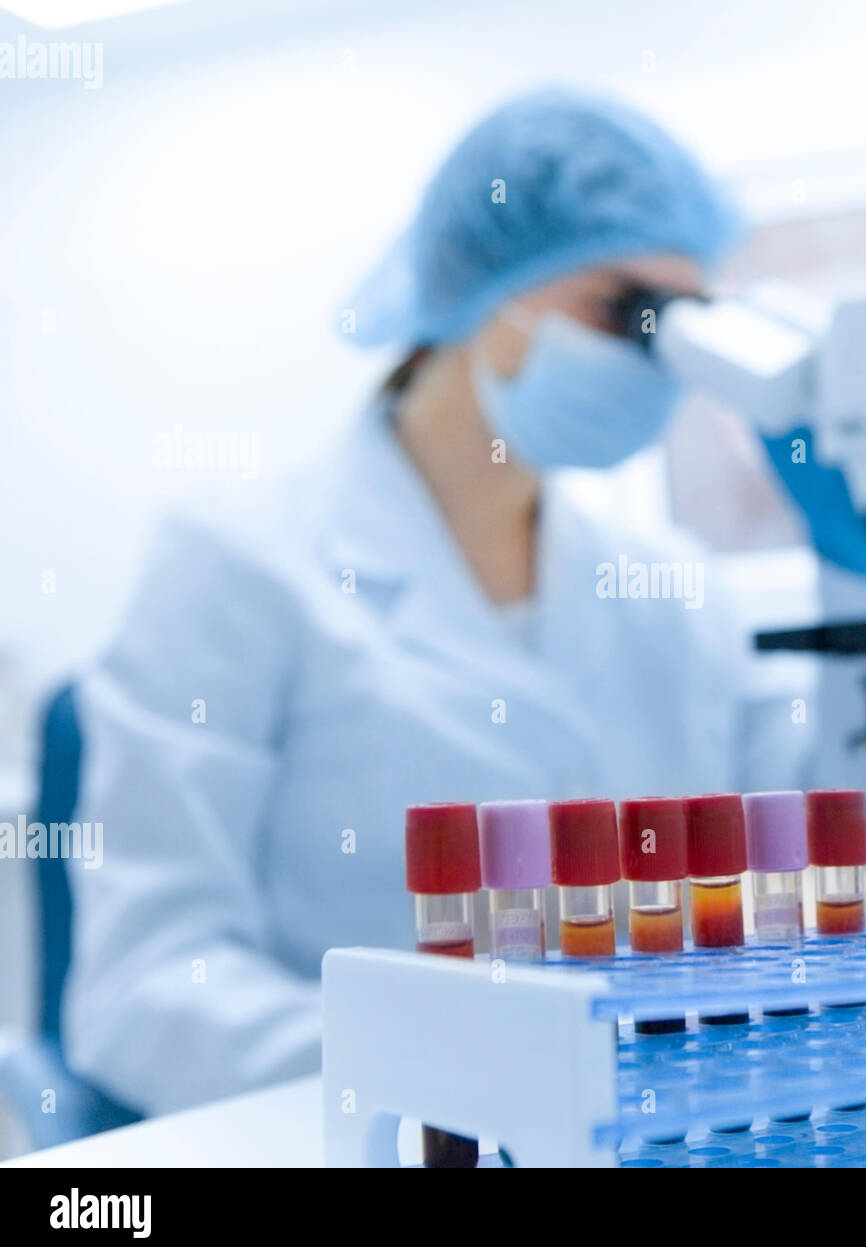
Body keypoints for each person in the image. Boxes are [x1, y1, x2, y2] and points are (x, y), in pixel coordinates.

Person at [63, 89, 812, 1116]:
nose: (653, 358)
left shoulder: (673, 587)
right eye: (626, 311)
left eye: (679, 325)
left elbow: (805, 872)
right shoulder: (240, 562)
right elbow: (146, 986)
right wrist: (459, 1077)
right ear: (489, 291)